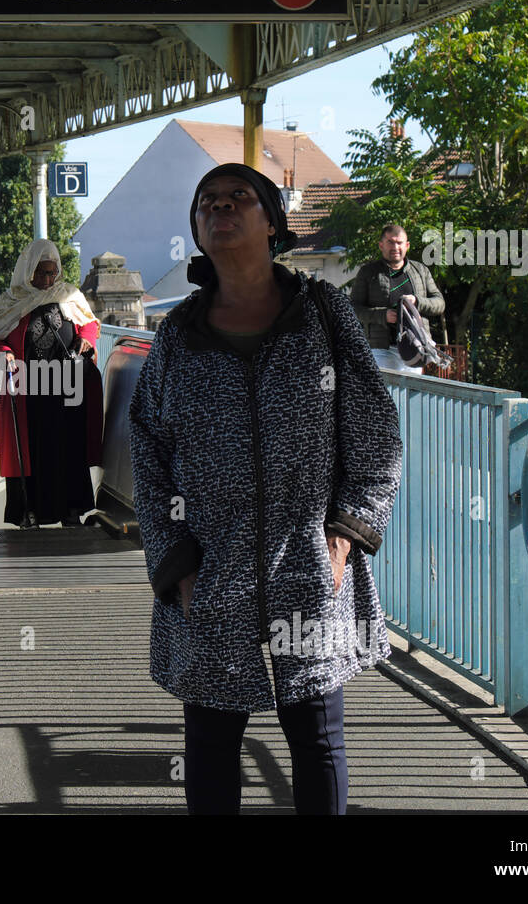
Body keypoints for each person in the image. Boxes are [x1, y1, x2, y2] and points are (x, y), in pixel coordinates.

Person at [128, 163, 403, 814]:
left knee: (317, 740)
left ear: (273, 222)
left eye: (239, 198)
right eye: (207, 203)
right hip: (211, 570)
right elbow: (147, 451)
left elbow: (375, 431)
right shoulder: (178, 336)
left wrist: (345, 537)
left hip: (308, 568)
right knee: (212, 745)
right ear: (196, 230)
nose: (221, 209)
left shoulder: (322, 316)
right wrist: (177, 566)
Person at [0, 239, 103, 528]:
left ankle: (70, 510)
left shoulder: (69, 295)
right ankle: (30, 511)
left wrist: (87, 338)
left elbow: (89, 322)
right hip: (29, 391)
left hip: (66, 388)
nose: (48, 280)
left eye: (52, 273)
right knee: (31, 452)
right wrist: (6, 354)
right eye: (41, 273)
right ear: (28, 271)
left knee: (67, 449)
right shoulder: (9, 302)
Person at [348, 224, 446, 374]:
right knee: (386, 394)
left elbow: (439, 303)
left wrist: (417, 301)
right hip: (381, 349)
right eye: (390, 242)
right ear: (381, 245)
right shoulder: (368, 272)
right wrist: (382, 315)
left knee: (411, 395)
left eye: (399, 243)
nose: (395, 247)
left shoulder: (420, 270)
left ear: (407, 245)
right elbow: (353, 308)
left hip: (415, 347)